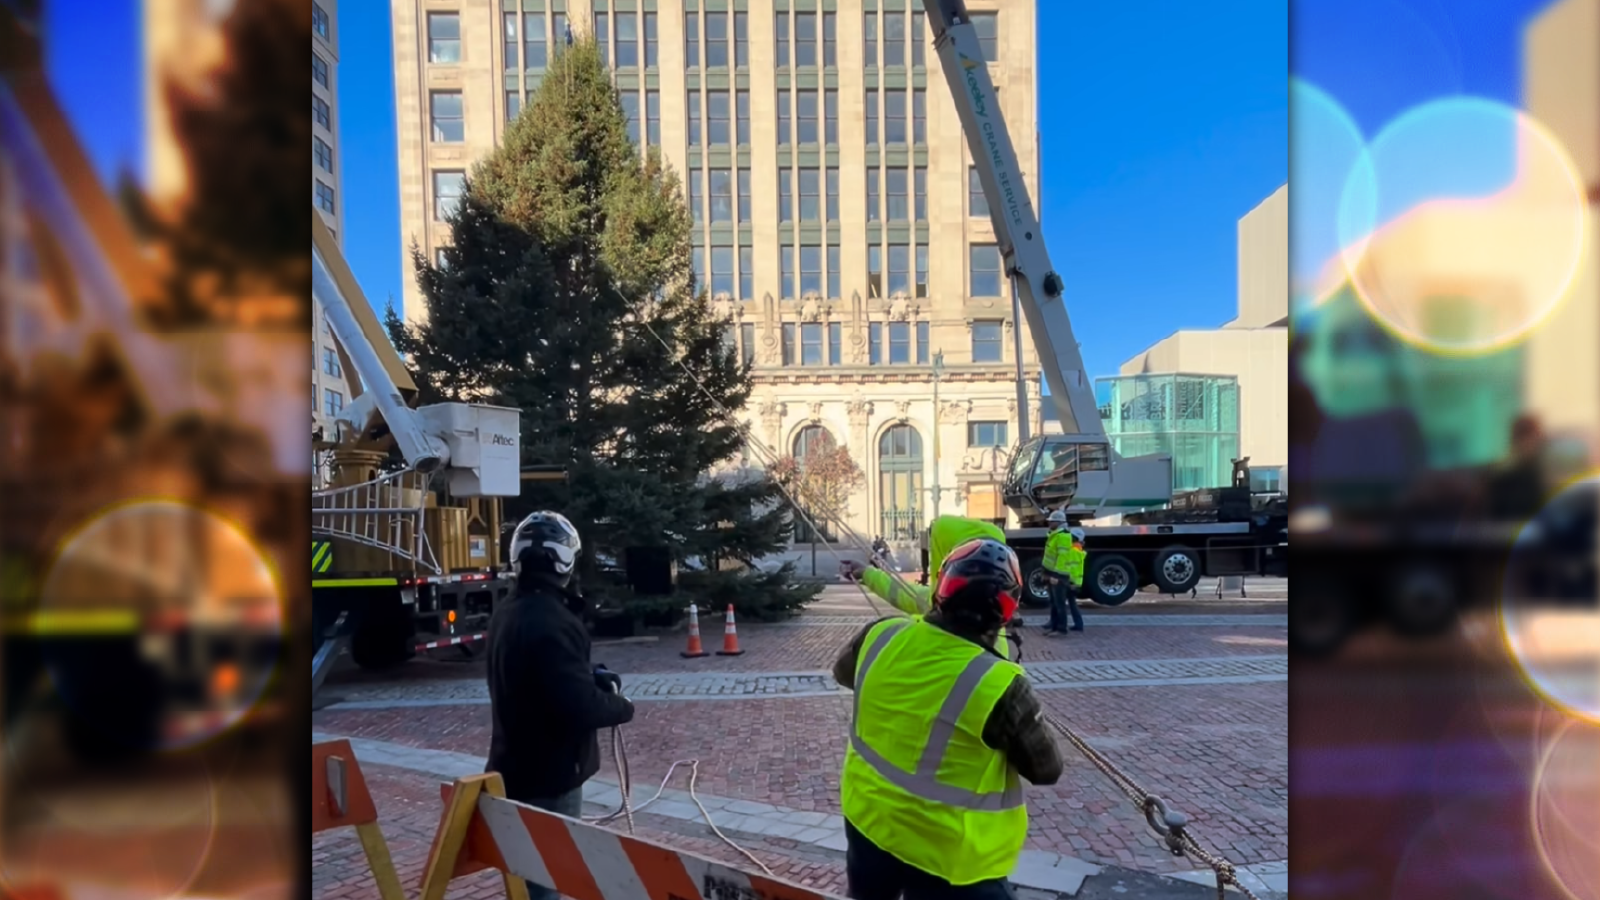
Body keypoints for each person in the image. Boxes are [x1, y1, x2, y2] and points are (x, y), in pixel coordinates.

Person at [833, 538, 1064, 900]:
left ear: (941, 589)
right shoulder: (1000, 685)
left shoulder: (880, 635)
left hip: (869, 823)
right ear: (1007, 608)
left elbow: (846, 674)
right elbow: (1046, 770)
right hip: (951, 858)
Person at [485, 511, 635, 900]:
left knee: (527, 876)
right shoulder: (554, 619)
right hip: (550, 776)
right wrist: (621, 706)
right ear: (567, 561)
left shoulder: (508, 611)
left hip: (512, 764)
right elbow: (577, 707)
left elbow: (539, 674)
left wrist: (589, 672)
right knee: (548, 880)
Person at [846, 515, 1019, 659]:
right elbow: (901, 592)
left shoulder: (893, 635)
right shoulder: (1001, 651)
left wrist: (866, 573)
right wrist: (866, 572)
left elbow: (900, 593)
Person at [1040, 510, 1074, 635]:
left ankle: (1061, 628)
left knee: (1059, 603)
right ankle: (1054, 626)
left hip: (1058, 575)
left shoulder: (1063, 536)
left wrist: (1056, 576)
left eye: (1051, 521)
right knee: (1054, 602)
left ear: (1058, 522)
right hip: (1052, 573)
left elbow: (1062, 557)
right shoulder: (1055, 534)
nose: (1049, 523)